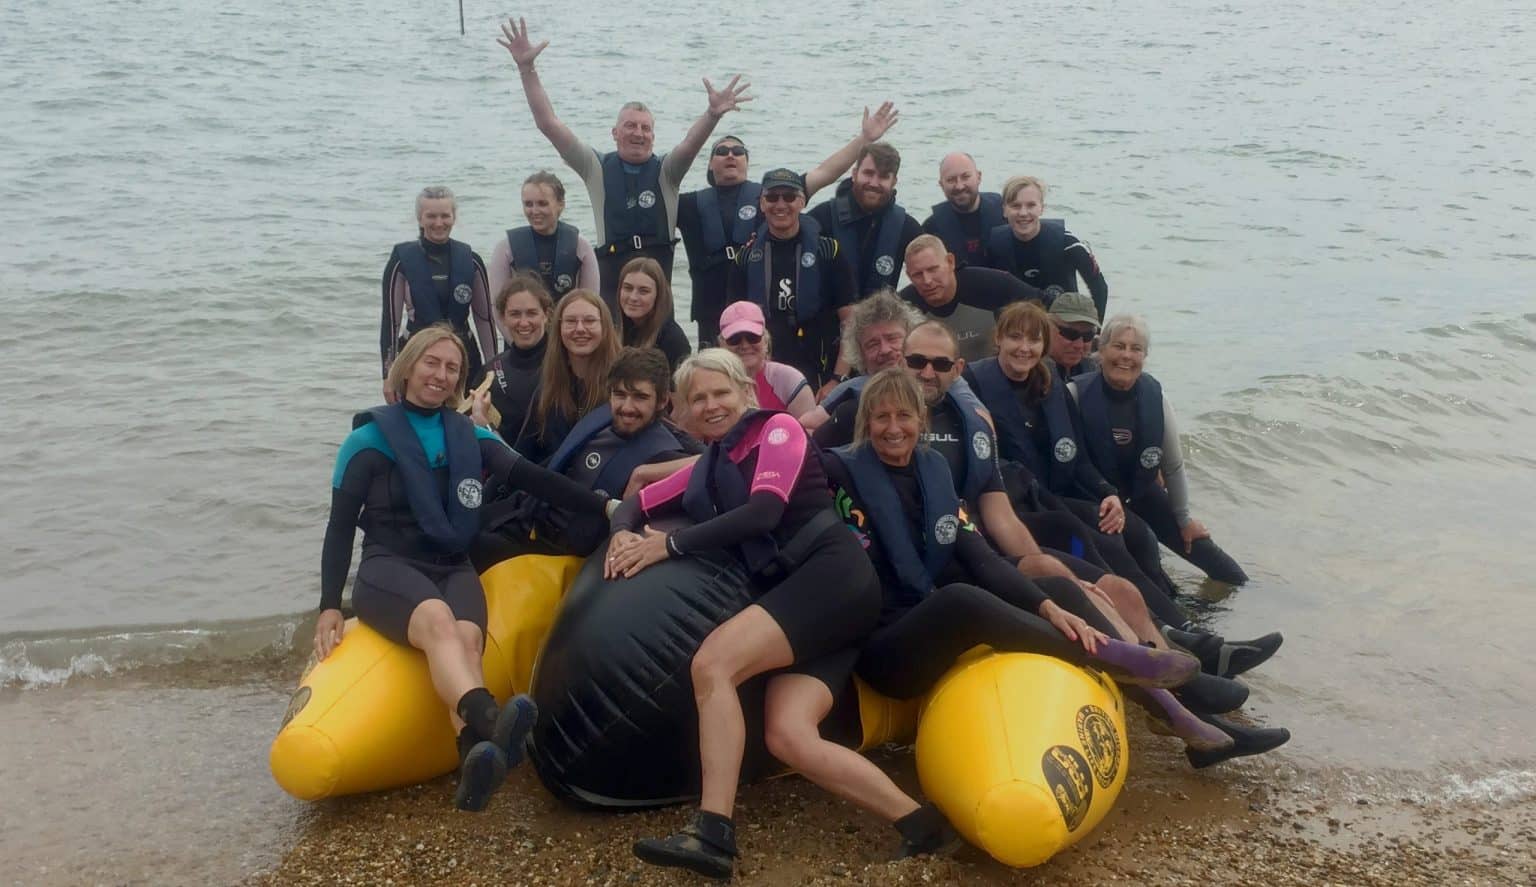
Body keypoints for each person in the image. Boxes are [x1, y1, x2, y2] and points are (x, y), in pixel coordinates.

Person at [826, 370, 1229, 755]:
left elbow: (983, 558)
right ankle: (1118, 658)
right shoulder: (839, 473)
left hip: (932, 628)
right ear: (865, 422)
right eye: (881, 417)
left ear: (921, 420)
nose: (893, 428)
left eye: (904, 416)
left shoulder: (935, 473)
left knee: (1057, 588)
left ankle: (1169, 710)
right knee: (960, 598)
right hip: (887, 652)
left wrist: (1049, 607)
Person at [604, 350, 882, 879]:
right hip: (809, 600)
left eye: (721, 393)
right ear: (683, 410)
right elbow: (638, 501)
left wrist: (672, 546)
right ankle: (921, 822)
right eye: (698, 398)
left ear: (746, 394)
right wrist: (622, 530)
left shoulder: (778, 431)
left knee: (713, 666)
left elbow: (764, 512)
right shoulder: (708, 466)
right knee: (788, 735)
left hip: (833, 580)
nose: (711, 405)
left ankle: (713, 833)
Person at [316, 325, 617, 811]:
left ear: (460, 379)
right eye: (431, 363)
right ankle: (493, 720)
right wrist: (330, 605)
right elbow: (338, 529)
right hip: (387, 568)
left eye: (451, 367)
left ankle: (472, 760)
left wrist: (604, 508)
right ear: (408, 366)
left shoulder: (469, 435)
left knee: (470, 639)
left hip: (452, 565)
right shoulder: (367, 442)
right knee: (438, 621)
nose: (440, 374)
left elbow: (533, 479)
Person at [963, 303, 1281, 674]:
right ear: (997, 338)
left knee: (1124, 533)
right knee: (1097, 541)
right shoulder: (972, 384)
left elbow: (1077, 457)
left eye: (1034, 340)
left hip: (1052, 499)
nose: (1024, 348)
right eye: (1015, 337)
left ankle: (1184, 631)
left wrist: (1106, 493)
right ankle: (1171, 633)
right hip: (1014, 510)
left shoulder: (1047, 381)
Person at [500, 18, 752, 311]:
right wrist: (526, 69)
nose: (638, 133)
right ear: (615, 133)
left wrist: (712, 114)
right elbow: (548, 123)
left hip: (657, 291)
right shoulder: (594, 167)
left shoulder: (668, 172)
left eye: (645, 128)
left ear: (653, 137)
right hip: (612, 287)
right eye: (630, 126)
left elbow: (690, 142)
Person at [676, 103, 900, 345]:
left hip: (762, 319)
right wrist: (712, 115)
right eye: (721, 151)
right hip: (711, 314)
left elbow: (825, 172)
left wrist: (864, 139)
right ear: (709, 164)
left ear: (747, 162)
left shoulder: (776, 198)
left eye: (738, 150)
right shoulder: (688, 205)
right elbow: (677, 164)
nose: (730, 154)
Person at [471, 347, 700, 568]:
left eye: (640, 397)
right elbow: (544, 469)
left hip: (556, 555)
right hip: (524, 518)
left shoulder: (664, 457)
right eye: (619, 394)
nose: (627, 407)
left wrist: (645, 473)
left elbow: (717, 462)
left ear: (661, 402)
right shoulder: (600, 423)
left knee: (466, 549)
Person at [1069, 315, 1250, 585]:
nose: (1126, 356)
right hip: (1094, 501)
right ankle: (1173, 611)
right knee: (1145, 547)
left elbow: (1173, 466)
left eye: (1136, 349)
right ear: (1101, 350)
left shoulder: (1156, 397)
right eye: (1118, 346)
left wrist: (1184, 519)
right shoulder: (1074, 394)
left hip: (1139, 491)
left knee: (1218, 563)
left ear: (1145, 355)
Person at [725, 168, 858, 392]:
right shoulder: (745, 258)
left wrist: (837, 379)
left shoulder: (828, 251)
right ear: (761, 204)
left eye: (789, 197)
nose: (780, 204)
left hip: (819, 371)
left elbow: (851, 323)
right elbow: (730, 329)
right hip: (763, 371)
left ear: (802, 202)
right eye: (772, 197)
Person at [381, 186, 497, 396]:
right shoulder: (401, 261)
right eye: (431, 216)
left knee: (465, 422)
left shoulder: (471, 260)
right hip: (416, 355)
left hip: (464, 356)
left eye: (445, 215)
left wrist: (492, 371)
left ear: (454, 217)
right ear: (419, 218)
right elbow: (391, 321)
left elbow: (484, 319)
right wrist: (388, 375)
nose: (438, 223)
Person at [898, 234, 1044, 362]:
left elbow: (1045, 304)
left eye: (932, 269)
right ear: (909, 276)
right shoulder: (901, 306)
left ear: (950, 262)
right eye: (918, 274)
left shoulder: (992, 284)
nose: (927, 280)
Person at [516, 289, 621, 464]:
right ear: (559, 329)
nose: (580, 329)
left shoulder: (623, 386)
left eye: (589, 321)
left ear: (605, 327)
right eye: (571, 321)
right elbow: (522, 455)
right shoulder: (547, 390)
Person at [808, 142, 925, 297]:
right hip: (828, 317)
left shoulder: (907, 228)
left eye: (884, 176)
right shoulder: (821, 218)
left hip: (882, 316)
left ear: (894, 181)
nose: (874, 183)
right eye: (868, 173)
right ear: (855, 174)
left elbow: (931, 275)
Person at [988, 176, 1109, 320]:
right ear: (1004, 210)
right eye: (1015, 206)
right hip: (1015, 329)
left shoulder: (1067, 242)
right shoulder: (994, 243)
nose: (1023, 213)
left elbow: (1099, 287)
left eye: (1031, 205)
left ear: (1042, 208)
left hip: (1062, 328)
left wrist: (1095, 331)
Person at [488, 170, 600, 300]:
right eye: (528, 204)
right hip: (523, 319)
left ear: (561, 204)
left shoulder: (581, 246)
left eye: (542, 204)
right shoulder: (505, 248)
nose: (535, 211)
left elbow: (592, 301)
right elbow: (497, 304)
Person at [478, 273, 552, 445]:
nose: (524, 323)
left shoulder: (567, 363)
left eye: (532, 313)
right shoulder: (490, 371)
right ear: (503, 318)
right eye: (515, 314)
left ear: (546, 315)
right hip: (507, 466)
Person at [717, 301, 815, 418]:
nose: (744, 345)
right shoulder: (708, 383)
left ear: (766, 340)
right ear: (721, 344)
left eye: (752, 337)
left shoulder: (788, 380)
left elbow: (810, 433)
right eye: (734, 339)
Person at [921, 152, 1005, 267]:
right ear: (941, 184)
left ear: (979, 177)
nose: (959, 186)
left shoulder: (1006, 214)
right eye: (951, 180)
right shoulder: (931, 228)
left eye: (965, 177)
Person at [616, 257, 692, 371]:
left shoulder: (672, 340)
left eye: (643, 291)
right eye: (628, 288)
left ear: (658, 296)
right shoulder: (617, 331)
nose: (633, 297)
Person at [1046, 291, 1102, 380]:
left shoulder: (1096, 370)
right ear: (1047, 328)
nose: (1079, 345)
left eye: (1088, 335)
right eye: (1070, 334)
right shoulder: (1030, 372)